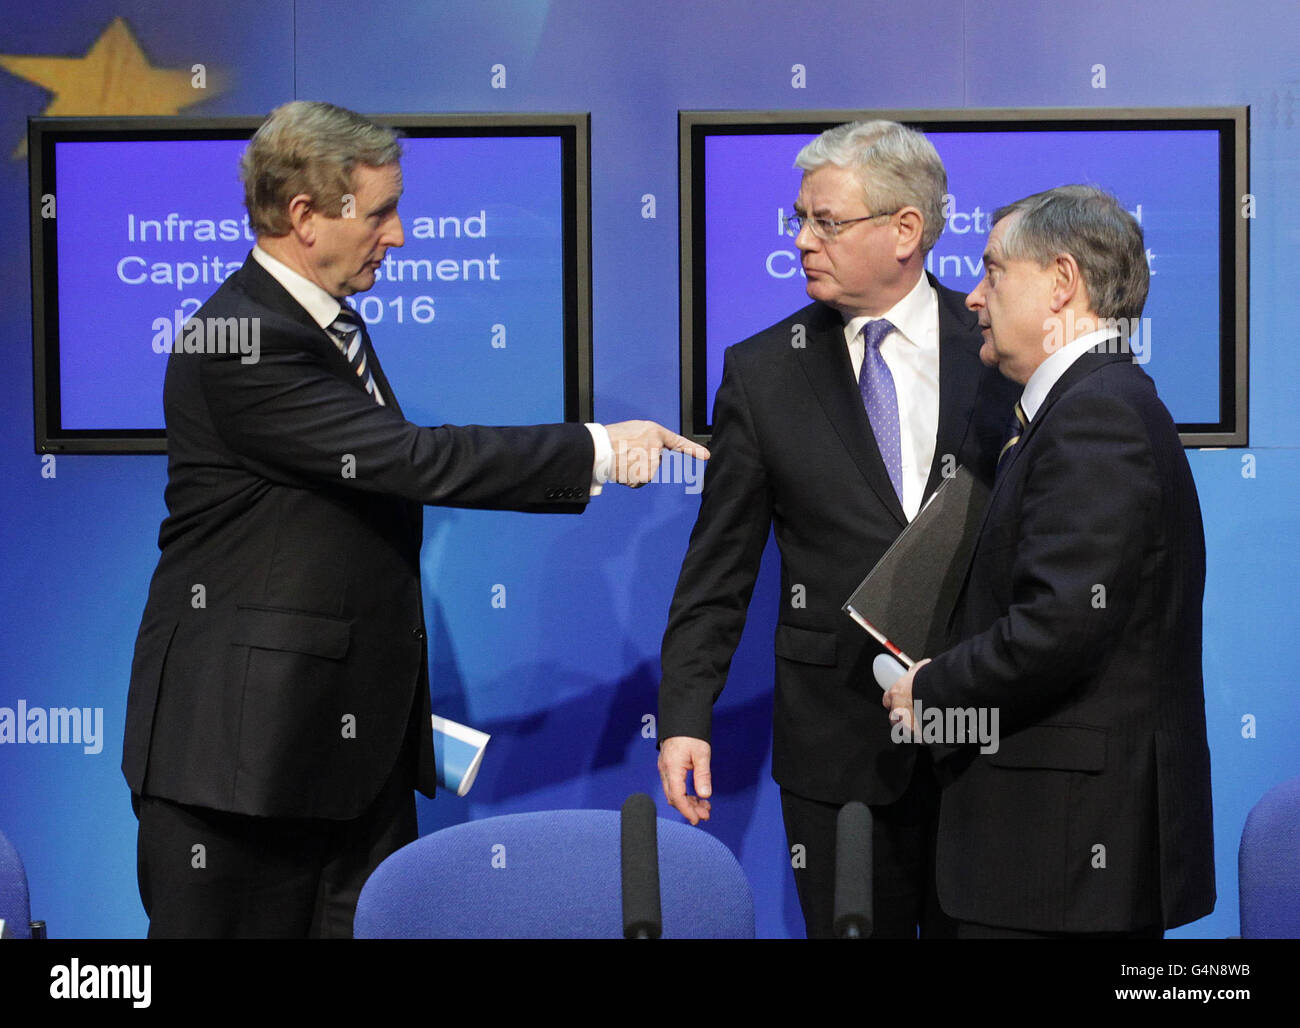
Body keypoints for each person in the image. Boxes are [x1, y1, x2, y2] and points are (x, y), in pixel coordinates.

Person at [122, 100, 707, 938]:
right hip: (241, 764)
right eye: (381, 211)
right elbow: (411, 458)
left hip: (343, 761)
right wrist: (598, 451)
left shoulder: (324, 325)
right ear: (304, 216)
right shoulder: (242, 339)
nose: (397, 236)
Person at [657, 121, 1018, 938]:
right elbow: (719, 568)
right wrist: (684, 715)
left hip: (986, 736)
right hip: (838, 749)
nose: (802, 241)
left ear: (905, 231)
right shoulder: (763, 371)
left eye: (826, 221)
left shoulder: (1002, 349)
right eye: (799, 218)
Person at [883, 185, 1215, 938]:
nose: (972, 297)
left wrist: (931, 687)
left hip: (1058, 866)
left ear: (1061, 283)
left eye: (993, 271)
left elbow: (1061, 625)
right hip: (1054, 860)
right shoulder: (1094, 406)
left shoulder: (1095, 415)